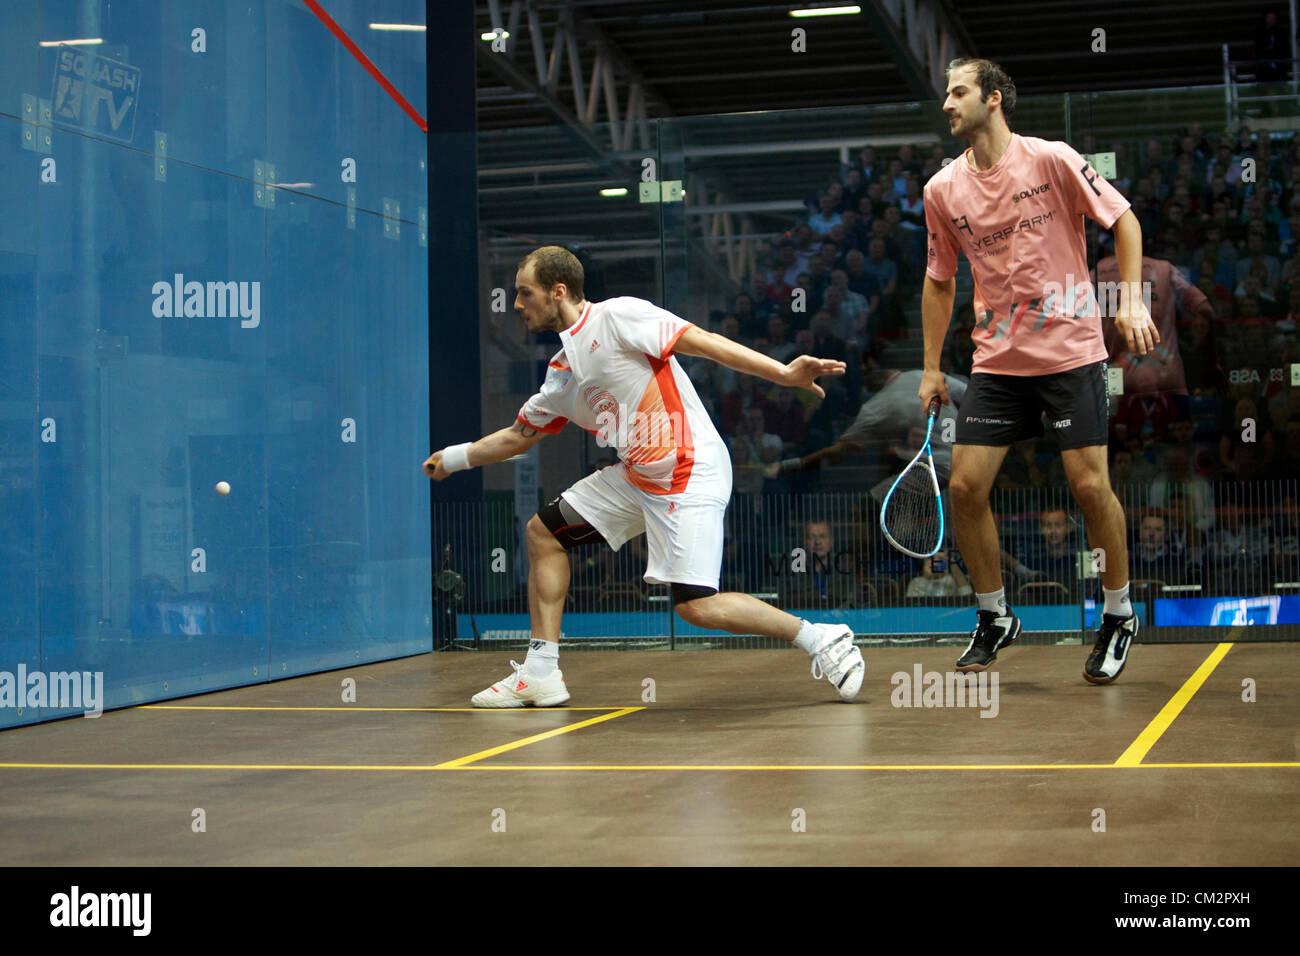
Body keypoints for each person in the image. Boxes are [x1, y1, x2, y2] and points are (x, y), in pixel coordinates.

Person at [425, 246, 865, 705]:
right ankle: (541, 673)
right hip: (637, 478)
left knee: (696, 606)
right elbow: (518, 435)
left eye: (524, 293)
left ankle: (821, 638)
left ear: (559, 291)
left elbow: (701, 341)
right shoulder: (561, 374)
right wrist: (454, 459)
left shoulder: (618, 317)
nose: (515, 304)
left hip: (689, 470)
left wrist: (783, 372)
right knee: (544, 533)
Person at [919, 57, 1159, 684]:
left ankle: (1117, 613)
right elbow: (939, 281)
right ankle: (995, 614)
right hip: (997, 360)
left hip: (1071, 353)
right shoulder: (941, 190)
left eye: (959, 91)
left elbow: (1124, 221)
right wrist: (930, 367)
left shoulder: (1051, 158)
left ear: (993, 99)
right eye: (946, 93)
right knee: (966, 488)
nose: (947, 103)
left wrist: (1129, 299)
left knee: (1088, 487)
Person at [906, 548, 973, 599]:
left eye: (940, 559)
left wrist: (953, 565)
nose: (935, 563)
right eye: (931, 558)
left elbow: (967, 596)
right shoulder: (916, 582)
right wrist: (927, 576)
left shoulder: (954, 581)